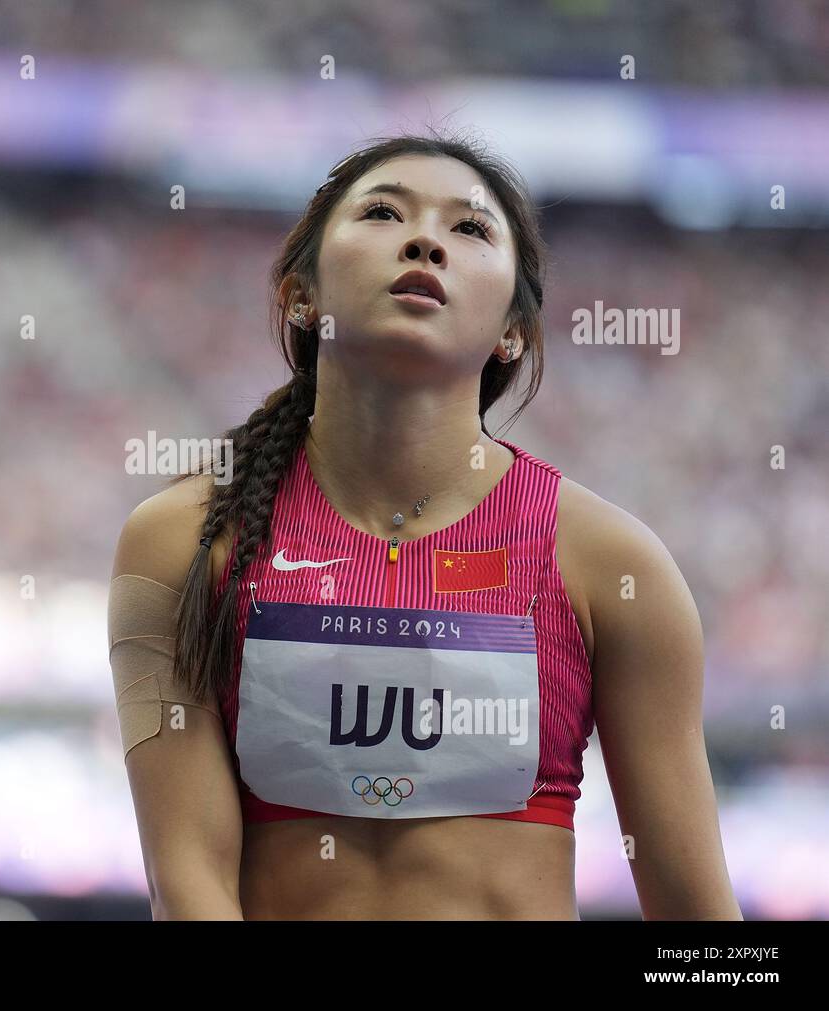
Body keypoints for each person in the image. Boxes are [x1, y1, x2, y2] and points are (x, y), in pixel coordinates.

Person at [108, 133, 741, 920]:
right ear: (301, 296)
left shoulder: (613, 566)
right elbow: (189, 880)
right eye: (382, 212)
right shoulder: (181, 543)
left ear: (513, 331)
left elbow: (702, 927)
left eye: (470, 229)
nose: (425, 240)